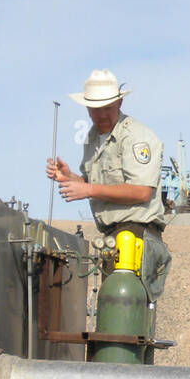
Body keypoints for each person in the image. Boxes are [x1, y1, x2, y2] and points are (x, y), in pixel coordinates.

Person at [46, 69, 171, 302]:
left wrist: (87, 189)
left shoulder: (136, 137)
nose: (101, 114)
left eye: (107, 107)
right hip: (113, 237)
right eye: (95, 108)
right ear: (87, 107)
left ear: (119, 103)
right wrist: (70, 177)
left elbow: (142, 191)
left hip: (136, 235)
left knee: (123, 306)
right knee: (113, 306)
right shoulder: (93, 138)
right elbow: (92, 184)